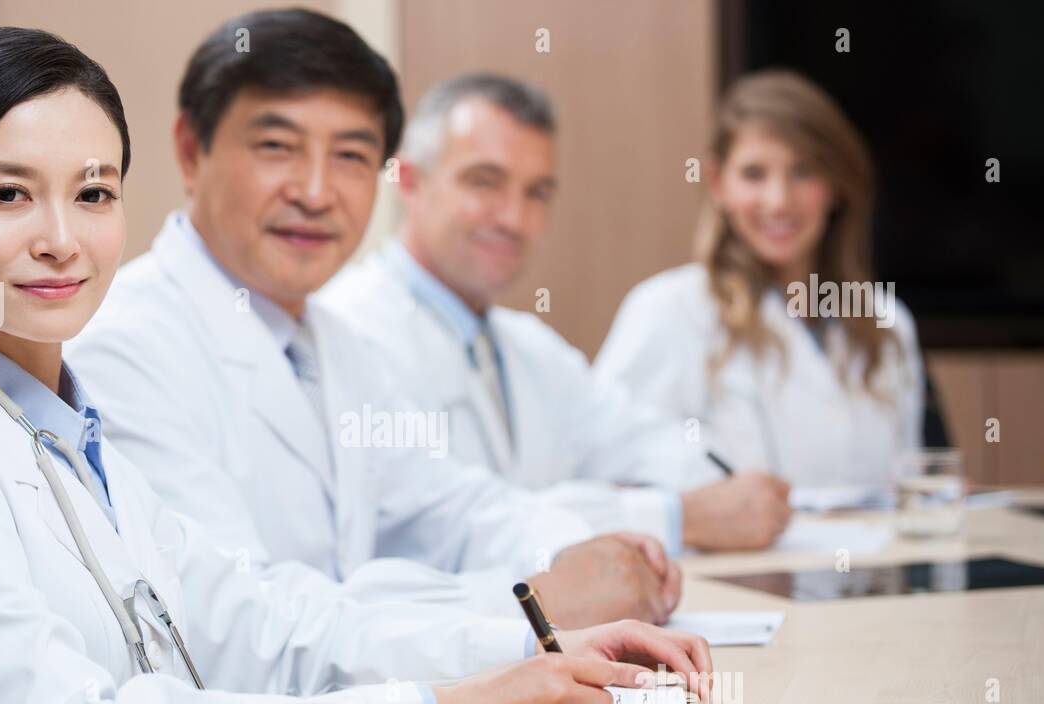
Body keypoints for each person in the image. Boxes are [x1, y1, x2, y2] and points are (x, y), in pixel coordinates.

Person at [0, 27, 711, 704]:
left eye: (93, 194)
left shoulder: (67, 439)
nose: (60, 239)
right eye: (8, 194)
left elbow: (268, 629)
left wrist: (535, 645)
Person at [68, 9, 682, 629]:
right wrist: (531, 604)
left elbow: (448, 506)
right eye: (277, 147)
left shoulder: (335, 344)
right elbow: (237, 626)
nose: (314, 192)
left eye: (351, 156)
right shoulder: (122, 347)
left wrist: (574, 550)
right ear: (190, 151)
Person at [323, 73, 792, 553]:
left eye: (537, 193)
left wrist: (732, 486)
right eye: (485, 182)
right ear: (410, 179)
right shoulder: (349, 330)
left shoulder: (526, 347)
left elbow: (636, 437)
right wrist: (671, 517)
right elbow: (444, 522)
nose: (514, 218)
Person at [592, 70, 924, 489]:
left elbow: (916, 493)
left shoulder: (886, 322)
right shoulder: (670, 309)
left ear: (836, 186)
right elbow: (605, 470)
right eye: (754, 174)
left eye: (803, 171)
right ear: (718, 184)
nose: (778, 200)